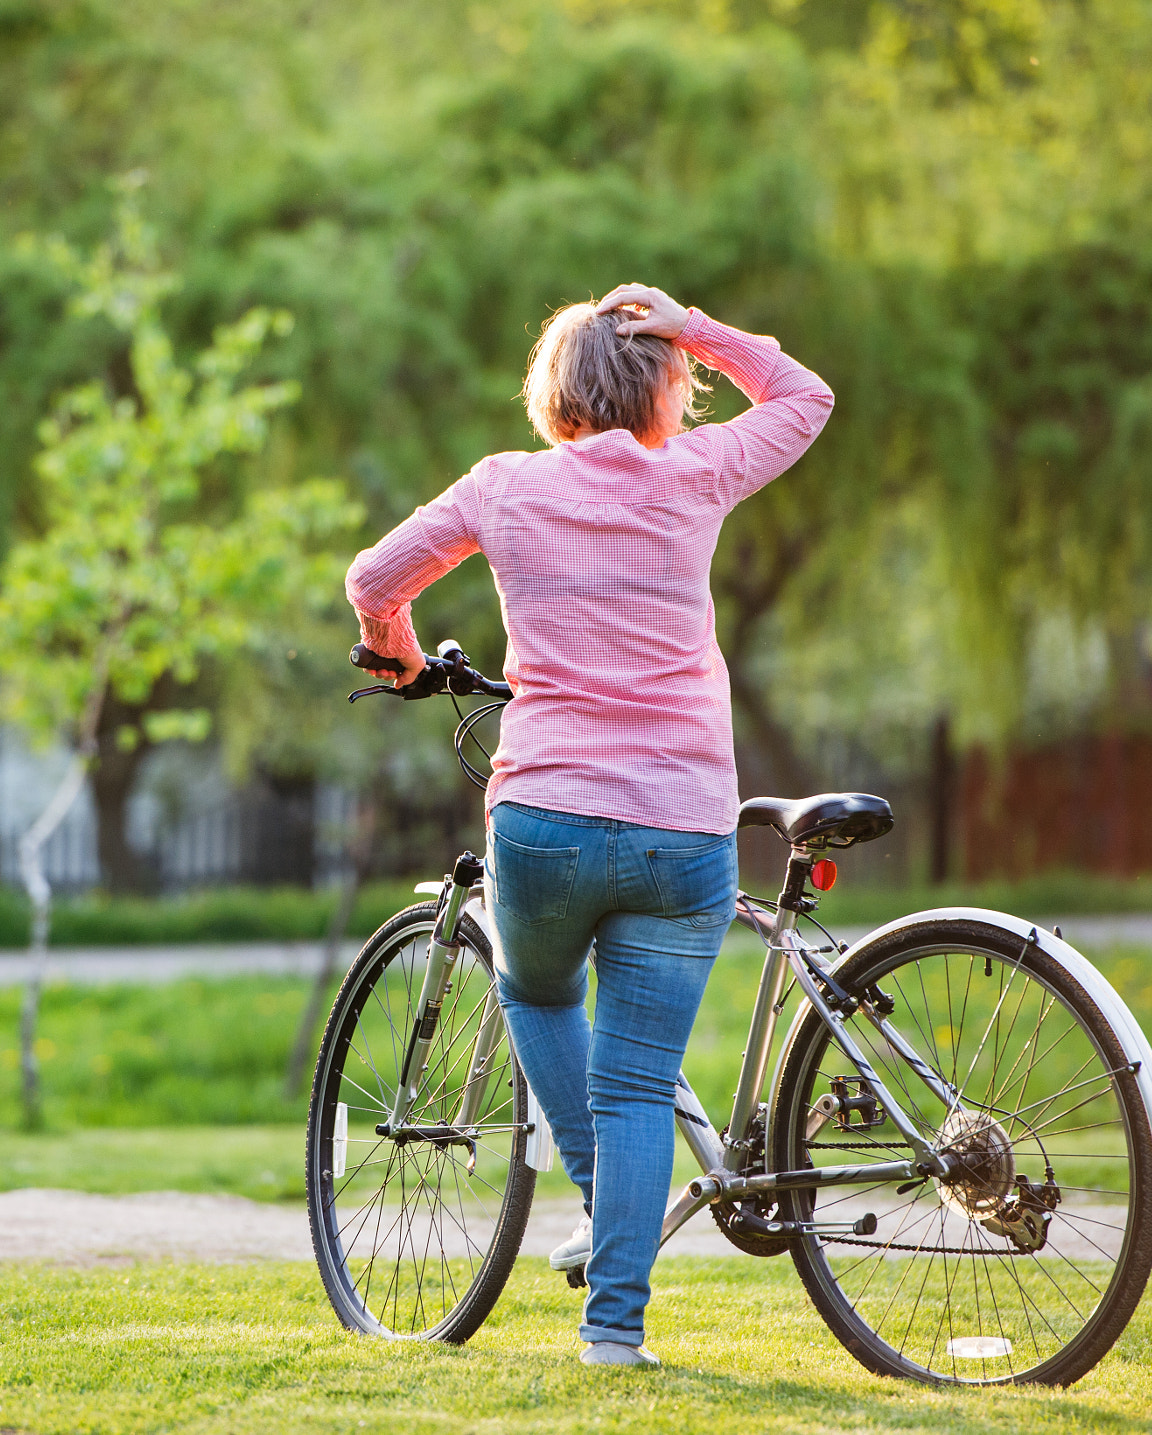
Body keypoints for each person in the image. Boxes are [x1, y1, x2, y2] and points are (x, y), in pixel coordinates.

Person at [344, 283, 833, 1367]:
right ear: (665, 388)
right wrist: (696, 325)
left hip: (545, 818)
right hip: (680, 825)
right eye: (678, 371)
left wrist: (400, 650)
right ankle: (612, 1331)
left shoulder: (503, 489)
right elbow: (804, 396)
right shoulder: (696, 475)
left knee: (534, 991)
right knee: (635, 1082)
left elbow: (372, 577)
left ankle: (591, 1198)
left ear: (553, 396)